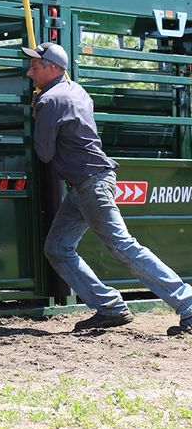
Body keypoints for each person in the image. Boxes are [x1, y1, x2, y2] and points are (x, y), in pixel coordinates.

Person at [23, 42, 192, 334]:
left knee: (123, 247)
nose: (29, 72)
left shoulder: (50, 101)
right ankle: (110, 307)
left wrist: (37, 116)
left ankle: (188, 304)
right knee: (58, 248)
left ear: (51, 68)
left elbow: (44, 153)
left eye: (35, 67)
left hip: (90, 185)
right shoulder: (76, 90)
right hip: (87, 184)